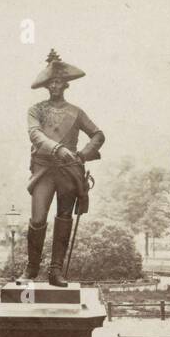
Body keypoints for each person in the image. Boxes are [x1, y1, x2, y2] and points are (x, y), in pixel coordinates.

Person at [25, 50, 105, 286]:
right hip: (43, 170)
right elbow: (34, 134)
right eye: (52, 82)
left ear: (66, 85)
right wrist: (56, 148)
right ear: (47, 85)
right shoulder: (36, 110)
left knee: (64, 217)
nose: (56, 85)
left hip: (69, 171)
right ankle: (31, 269)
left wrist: (82, 155)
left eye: (60, 82)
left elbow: (98, 135)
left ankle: (56, 271)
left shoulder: (76, 112)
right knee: (38, 218)